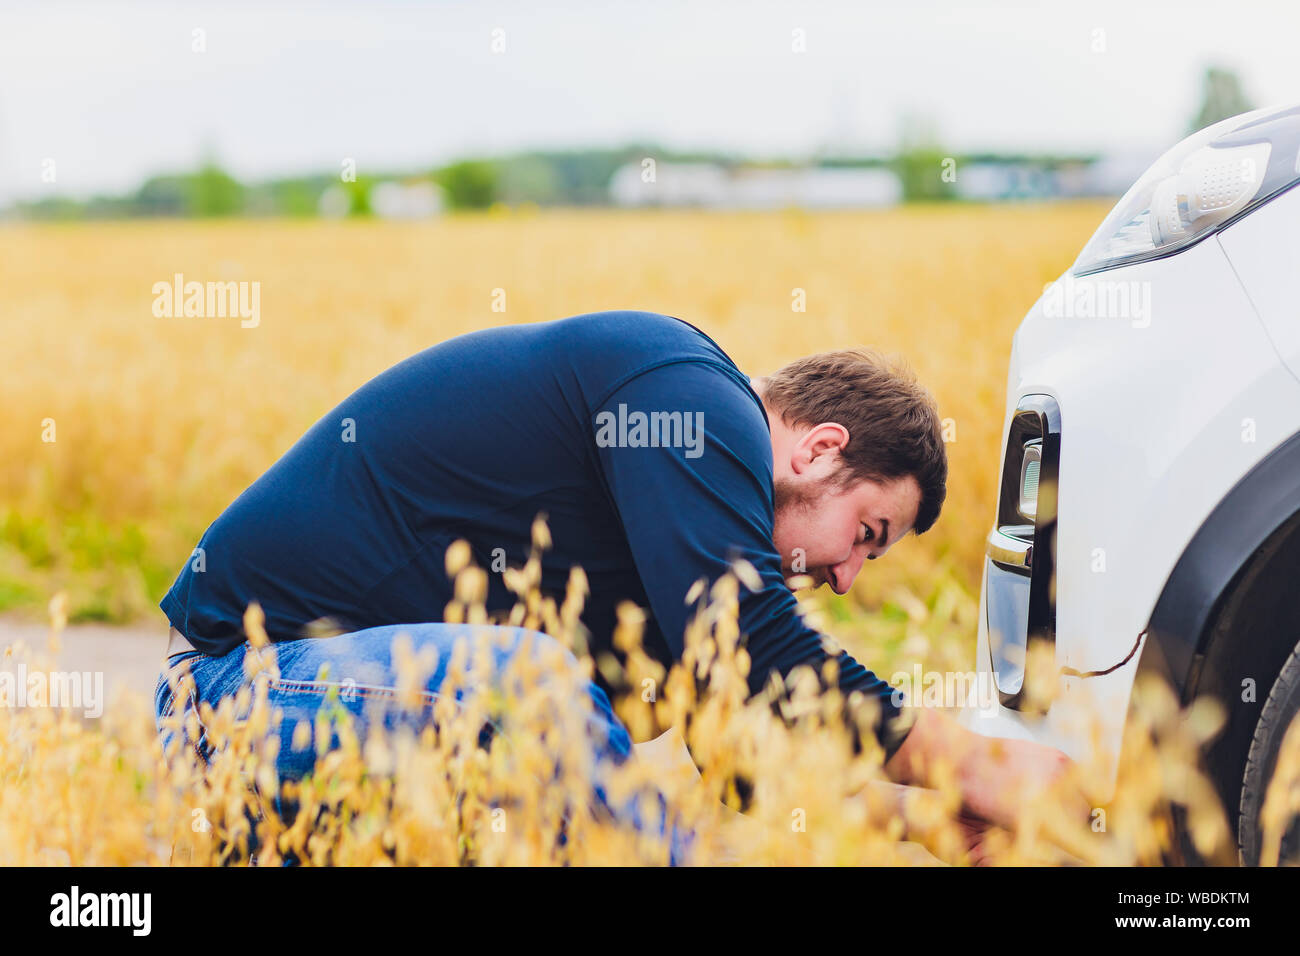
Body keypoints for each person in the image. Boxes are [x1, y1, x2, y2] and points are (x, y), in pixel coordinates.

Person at [154, 309, 1075, 850]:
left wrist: (944, 826)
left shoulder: (671, 539)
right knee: (527, 687)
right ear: (820, 447)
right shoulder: (683, 391)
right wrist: (990, 766)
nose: (847, 574)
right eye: (867, 533)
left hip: (346, 741)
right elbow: (756, 646)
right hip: (237, 700)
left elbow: (745, 758)